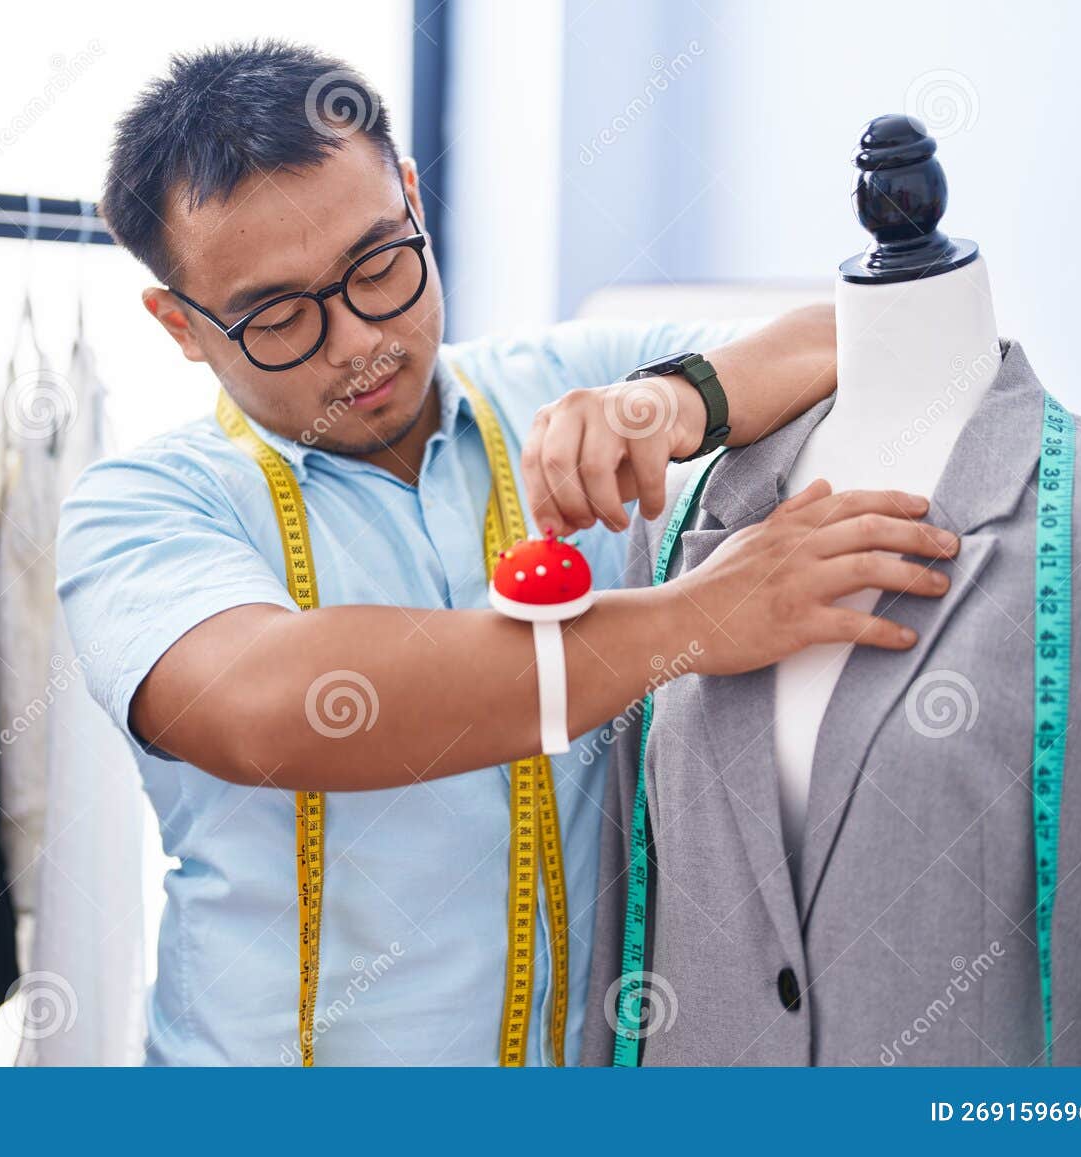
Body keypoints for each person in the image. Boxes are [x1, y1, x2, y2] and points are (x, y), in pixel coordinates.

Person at [56, 39, 958, 1066]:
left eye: (377, 264)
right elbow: (272, 703)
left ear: (409, 195)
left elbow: (861, 337)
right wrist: (695, 620)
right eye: (278, 317)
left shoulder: (560, 379)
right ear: (179, 324)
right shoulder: (139, 508)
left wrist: (675, 395)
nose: (358, 340)